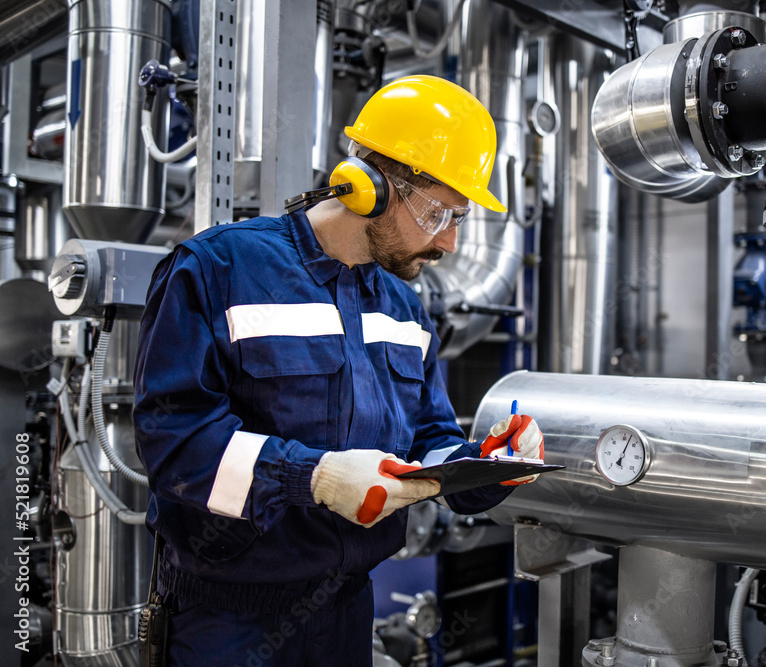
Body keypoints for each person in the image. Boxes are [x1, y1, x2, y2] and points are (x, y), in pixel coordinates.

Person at [132, 74, 544, 666]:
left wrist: (483, 467)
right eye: (438, 215)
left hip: (349, 612)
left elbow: (428, 441)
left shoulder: (404, 310)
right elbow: (175, 445)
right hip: (226, 621)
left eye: (461, 220)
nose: (450, 243)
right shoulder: (219, 269)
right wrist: (316, 477)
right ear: (368, 186)